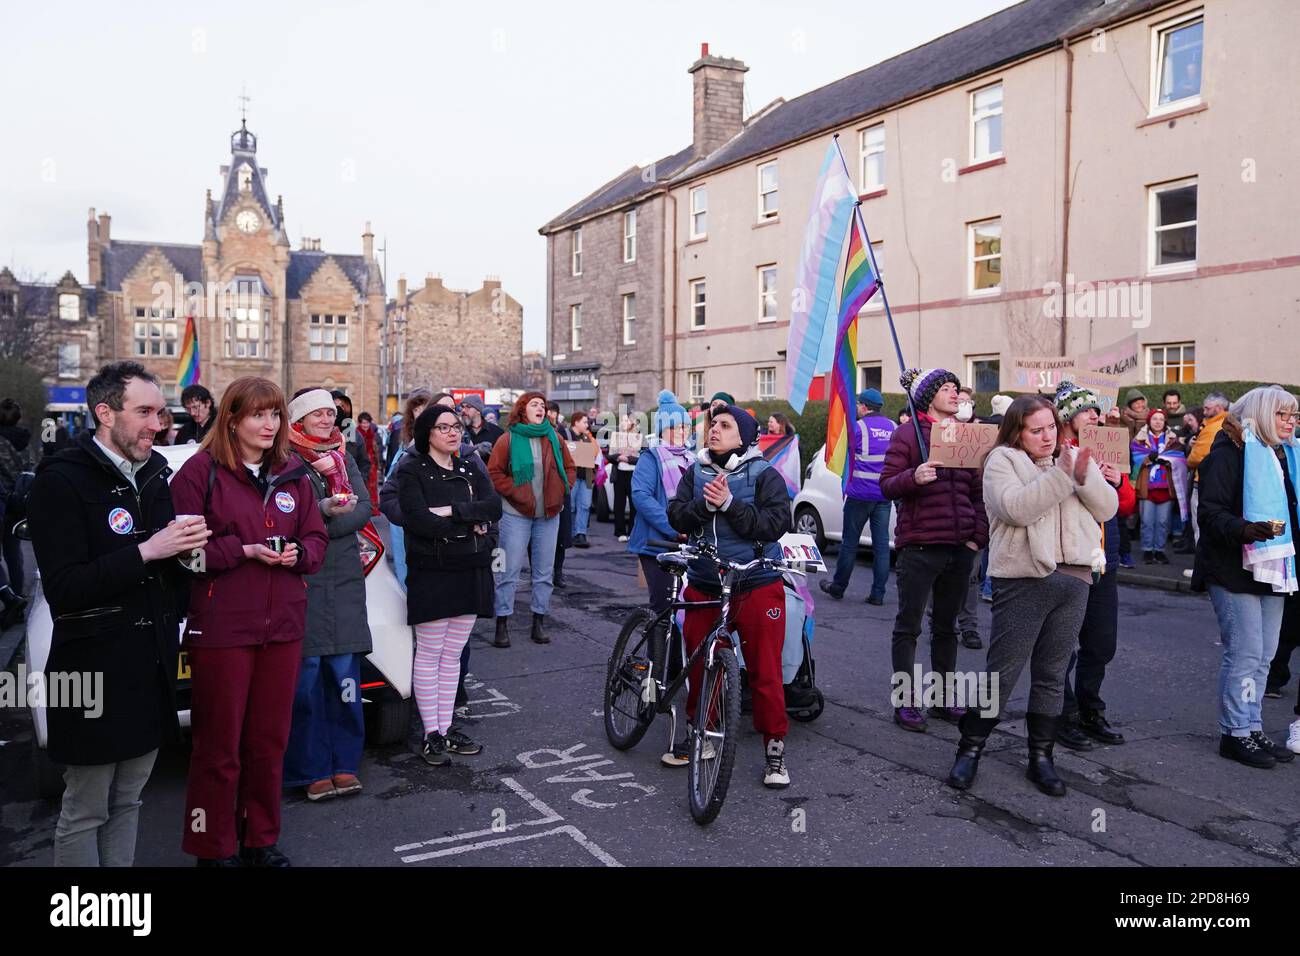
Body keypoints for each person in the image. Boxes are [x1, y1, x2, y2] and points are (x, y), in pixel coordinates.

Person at [27, 362, 210, 866]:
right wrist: (149, 551)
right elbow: (64, 590)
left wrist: (188, 557)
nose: (160, 424)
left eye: (161, 412)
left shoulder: (155, 475)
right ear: (104, 413)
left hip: (149, 668)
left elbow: (168, 578)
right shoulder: (60, 480)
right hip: (90, 671)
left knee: (129, 801)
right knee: (85, 811)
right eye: (145, 412)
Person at [170, 376, 328, 866]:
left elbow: (318, 542)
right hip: (221, 630)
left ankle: (259, 839)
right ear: (232, 418)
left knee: (268, 743)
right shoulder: (198, 473)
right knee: (218, 747)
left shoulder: (294, 474)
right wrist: (243, 550)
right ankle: (211, 847)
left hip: (281, 628)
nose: (269, 424)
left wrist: (299, 552)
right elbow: (183, 555)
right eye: (258, 414)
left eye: (275, 414)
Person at [945, 394, 1116, 796]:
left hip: (1075, 578)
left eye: (1051, 428)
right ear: (1017, 431)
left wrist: (1086, 475)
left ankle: (1041, 757)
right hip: (1023, 578)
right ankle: (969, 748)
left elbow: (1106, 509)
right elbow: (1016, 509)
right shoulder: (1003, 460)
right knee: (1002, 674)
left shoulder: (1069, 457)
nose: (1046, 436)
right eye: (1036, 430)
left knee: (1053, 675)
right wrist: (1061, 474)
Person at [667, 404, 794, 787]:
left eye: (725, 425)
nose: (714, 430)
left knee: (765, 671)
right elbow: (676, 515)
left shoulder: (764, 473)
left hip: (755, 583)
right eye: (713, 424)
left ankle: (774, 748)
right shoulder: (695, 470)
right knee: (701, 663)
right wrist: (703, 507)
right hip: (705, 583)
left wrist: (730, 506)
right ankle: (702, 732)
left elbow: (776, 525)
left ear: (744, 436)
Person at [1193, 386, 1298, 769]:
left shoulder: (1279, 455)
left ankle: (1252, 728)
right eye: (1283, 416)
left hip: (1271, 565)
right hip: (1232, 567)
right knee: (1245, 654)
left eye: (1294, 416)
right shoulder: (1226, 454)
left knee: (1264, 658)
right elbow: (1209, 513)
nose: (1290, 423)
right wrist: (1244, 529)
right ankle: (1234, 733)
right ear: (1262, 415)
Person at [880, 368, 988, 732]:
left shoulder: (965, 435)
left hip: (959, 548)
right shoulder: (907, 434)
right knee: (908, 626)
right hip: (920, 546)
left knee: (947, 627)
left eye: (957, 388)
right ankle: (906, 701)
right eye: (946, 388)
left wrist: (976, 537)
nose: (955, 394)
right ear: (928, 397)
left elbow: (977, 492)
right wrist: (914, 477)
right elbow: (887, 485)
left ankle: (943, 698)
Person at [282, 389, 373, 802]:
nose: (326, 419)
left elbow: (363, 508)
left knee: (345, 678)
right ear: (298, 420)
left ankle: (344, 764)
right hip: (304, 579)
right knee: (306, 682)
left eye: (330, 413)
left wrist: (320, 520)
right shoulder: (285, 460)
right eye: (317, 413)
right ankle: (312, 769)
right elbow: (286, 515)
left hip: (344, 581)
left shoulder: (345, 455)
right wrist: (322, 513)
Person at [397, 405, 500, 765]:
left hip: (470, 567)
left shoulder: (469, 467)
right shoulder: (411, 469)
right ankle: (431, 734)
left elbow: (493, 507)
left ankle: (446, 727)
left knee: (453, 655)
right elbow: (417, 519)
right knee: (429, 653)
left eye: (456, 426)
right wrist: (466, 523)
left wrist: (453, 512)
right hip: (433, 570)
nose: (453, 432)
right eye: (443, 427)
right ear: (427, 433)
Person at [1050, 382, 1137, 751]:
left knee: (1101, 644)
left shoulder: (1108, 448)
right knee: (1062, 645)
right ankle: (1061, 714)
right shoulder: (1055, 451)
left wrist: (1118, 482)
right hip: (1071, 559)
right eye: (1087, 411)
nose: (1096, 416)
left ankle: (1090, 708)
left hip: (1106, 557)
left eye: (1095, 411)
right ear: (1068, 416)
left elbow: (1128, 506)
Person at [626, 391, 695, 763]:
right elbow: (642, 497)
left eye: (686, 426)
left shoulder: (693, 460)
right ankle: (656, 673)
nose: (683, 431)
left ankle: (674, 670)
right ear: (665, 429)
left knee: (689, 608)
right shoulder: (651, 458)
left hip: (687, 545)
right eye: (677, 427)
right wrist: (673, 527)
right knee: (664, 608)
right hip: (655, 545)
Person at [487, 392, 575, 647]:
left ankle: (539, 621)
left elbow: (569, 468)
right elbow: (494, 472)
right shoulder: (508, 439)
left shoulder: (554, 438)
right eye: (534, 404)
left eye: (543, 405)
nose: (540, 408)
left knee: (544, 572)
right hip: (515, 514)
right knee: (508, 570)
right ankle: (502, 622)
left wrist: (564, 488)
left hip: (548, 515)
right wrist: (516, 492)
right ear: (522, 410)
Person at [821, 389, 894, 606]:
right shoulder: (893, 427)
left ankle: (838, 587)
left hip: (859, 494)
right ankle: (878, 594)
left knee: (850, 544)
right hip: (883, 495)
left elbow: (844, 455)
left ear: (863, 406)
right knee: (881, 546)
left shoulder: (857, 427)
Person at [378, 389, 433, 588]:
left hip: (430, 512)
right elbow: (391, 477)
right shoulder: (402, 438)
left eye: (425, 407)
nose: (420, 412)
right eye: (416, 408)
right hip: (404, 511)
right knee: (404, 565)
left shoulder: (444, 437)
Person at [1131, 408, 1185, 564]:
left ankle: (1160, 550)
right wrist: (1148, 457)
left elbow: (1180, 458)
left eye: (1161, 419)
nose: (1158, 422)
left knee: (1163, 522)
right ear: (1149, 421)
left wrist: (1168, 460)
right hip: (1147, 486)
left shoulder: (1173, 440)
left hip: (1166, 487)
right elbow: (1135, 456)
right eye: (1155, 418)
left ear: (1165, 422)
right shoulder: (1140, 439)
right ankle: (1147, 550)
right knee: (1147, 521)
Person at [0, 398, 34, 626]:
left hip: (2, 500)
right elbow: (31, 467)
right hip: (19, 502)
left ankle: (10, 599)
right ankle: (18, 599)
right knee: (14, 554)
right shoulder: (25, 441)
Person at [1188, 391, 1231, 548]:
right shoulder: (1228, 422)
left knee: (1200, 526)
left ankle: (1200, 568)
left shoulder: (1214, 427)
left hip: (1203, 481)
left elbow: (1196, 457)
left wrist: (1189, 456)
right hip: (1220, 482)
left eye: (1207, 408)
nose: (1204, 412)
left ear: (1218, 408)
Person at [567, 410, 599, 548]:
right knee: (572, 506)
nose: (587, 425)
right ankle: (571, 533)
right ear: (576, 422)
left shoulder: (588, 437)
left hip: (586, 476)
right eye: (585, 422)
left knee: (585, 505)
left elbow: (596, 453)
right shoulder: (567, 435)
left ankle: (581, 533)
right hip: (573, 476)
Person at [330, 390, 372, 486]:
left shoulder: (355, 436)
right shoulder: (320, 433)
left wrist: (359, 484)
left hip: (352, 489)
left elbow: (364, 464)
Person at [610, 414, 641, 542]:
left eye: (626, 420)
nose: (624, 422)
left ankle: (632, 531)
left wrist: (627, 458)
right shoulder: (615, 436)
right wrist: (619, 457)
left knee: (634, 504)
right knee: (619, 503)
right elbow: (610, 455)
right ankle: (620, 532)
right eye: (622, 420)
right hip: (619, 473)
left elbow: (642, 457)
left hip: (633, 474)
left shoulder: (639, 436)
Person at [461, 395, 504, 460]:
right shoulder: (459, 432)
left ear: (478, 410)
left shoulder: (497, 432)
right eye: (462, 407)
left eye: (468, 407)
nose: (463, 410)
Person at [356, 411, 381, 515]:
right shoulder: (356, 434)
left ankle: (373, 508)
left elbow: (377, 451)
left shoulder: (373, 434)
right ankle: (363, 509)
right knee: (362, 486)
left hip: (372, 464)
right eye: (363, 423)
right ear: (359, 423)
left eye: (367, 423)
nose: (365, 425)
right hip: (361, 463)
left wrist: (378, 466)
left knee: (373, 487)